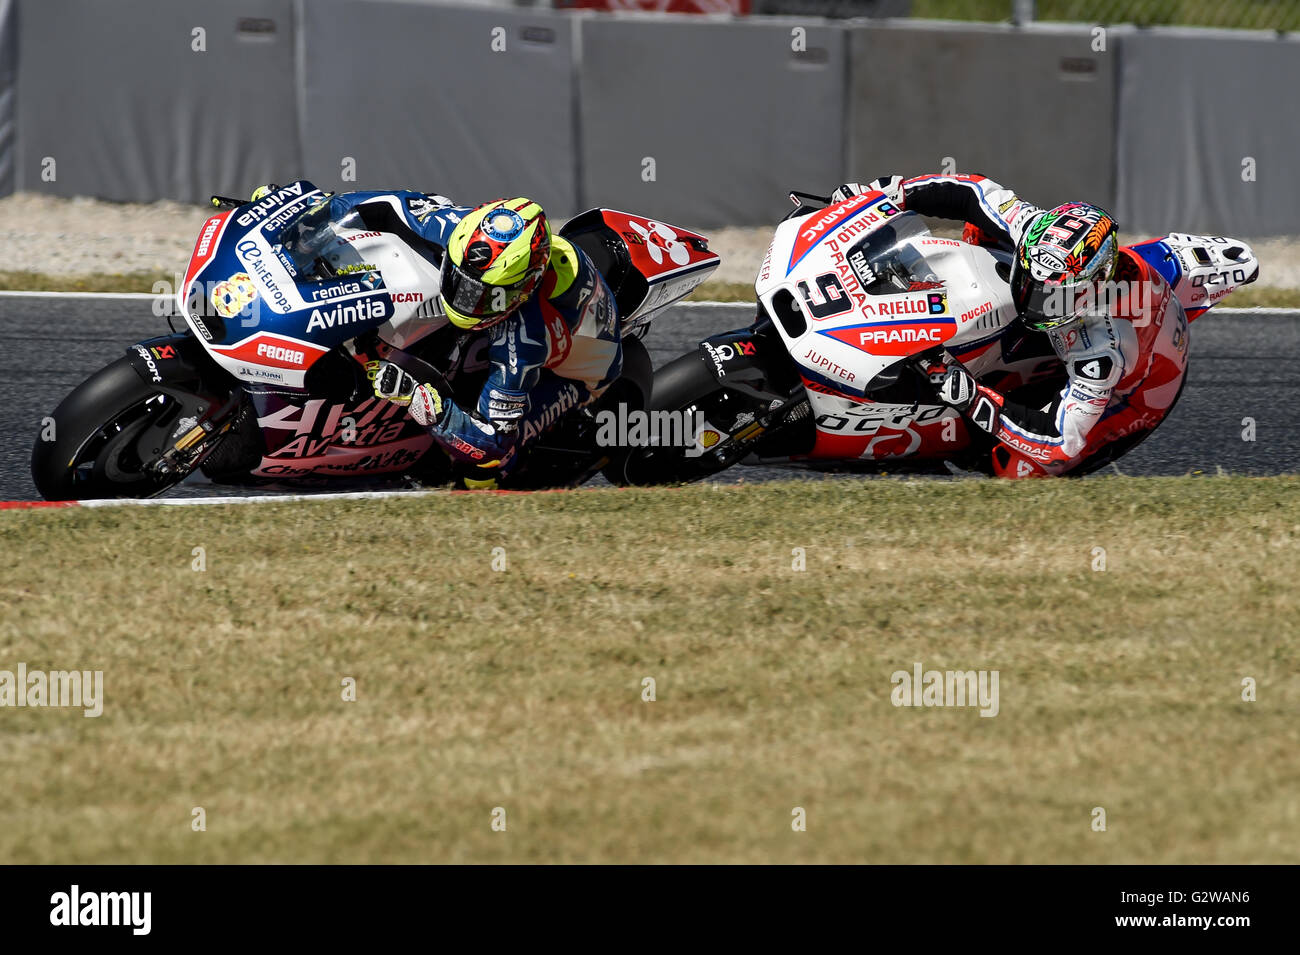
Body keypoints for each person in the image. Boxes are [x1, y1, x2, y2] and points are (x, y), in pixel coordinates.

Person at [830, 175, 1189, 476]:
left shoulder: (1102, 346)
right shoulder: (1035, 230)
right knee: (979, 229)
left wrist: (973, 398)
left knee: (1018, 470)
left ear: (1089, 290)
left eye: (1051, 296)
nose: (1034, 298)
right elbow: (972, 192)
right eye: (1032, 282)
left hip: (1143, 388)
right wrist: (892, 193)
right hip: (1086, 313)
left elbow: (1061, 444)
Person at [312, 191, 622, 486]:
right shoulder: (458, 226)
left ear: (523, 289)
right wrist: (317, 216)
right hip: (535, 309)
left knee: (480, 473)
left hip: (578, 374)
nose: (466, 299)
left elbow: (494, 442)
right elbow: (383, 204)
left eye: (486, 296)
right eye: (459, 280)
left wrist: (420, 401)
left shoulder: (524, 341)